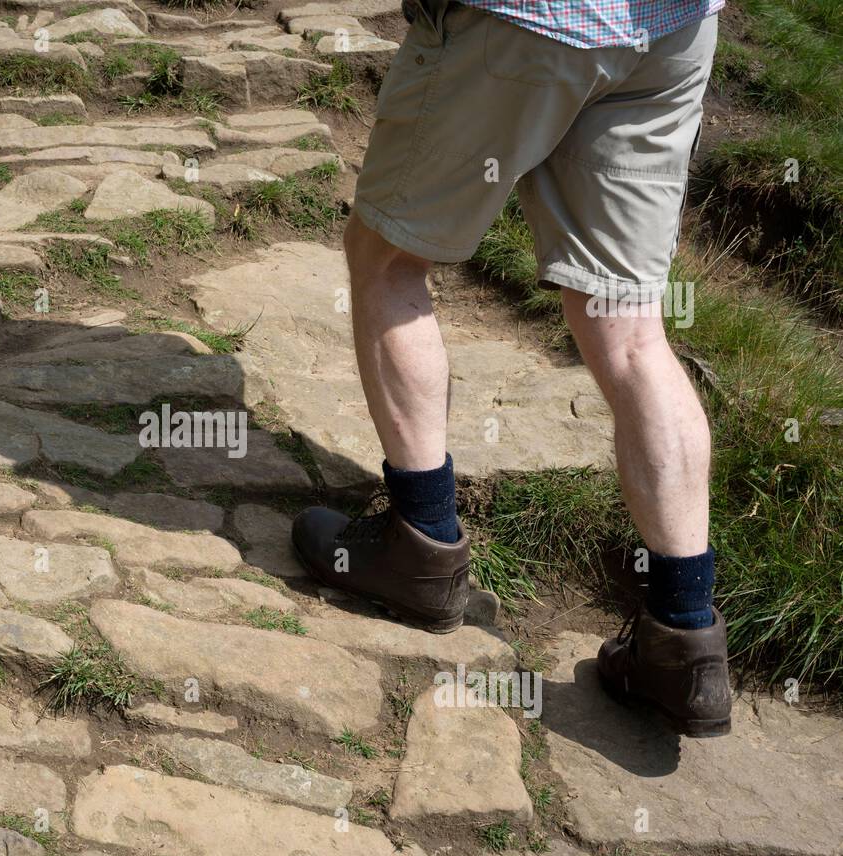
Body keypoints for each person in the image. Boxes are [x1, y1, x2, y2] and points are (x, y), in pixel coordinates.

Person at [291, 0, 732, 737]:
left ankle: (420, 549)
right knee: (628, 328)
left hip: (527, 20)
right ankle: (686, 644)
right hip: (672, 26)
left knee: (388, 258)